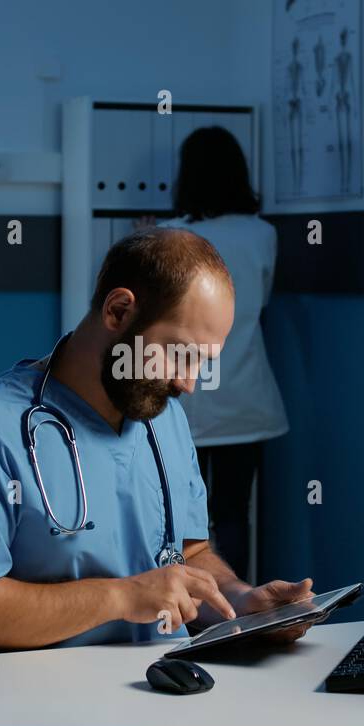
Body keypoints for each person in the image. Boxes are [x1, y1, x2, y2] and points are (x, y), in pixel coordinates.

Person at [0, 228, 312, 649]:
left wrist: (239, 601)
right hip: (42, 706)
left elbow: (187, 557)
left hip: (161, 690)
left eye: (202, 362)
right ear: (118, 311)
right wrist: (121, 597)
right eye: (179, 353)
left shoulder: (163, 415)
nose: (188, 383)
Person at [159, 127, 289, 583]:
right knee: (234, 514)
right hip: (248, 400)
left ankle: (190, 608)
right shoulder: (263, 233)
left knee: (179, 517)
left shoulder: (169, 236)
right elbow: (262, 299)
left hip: (186, 400)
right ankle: (240, 610)